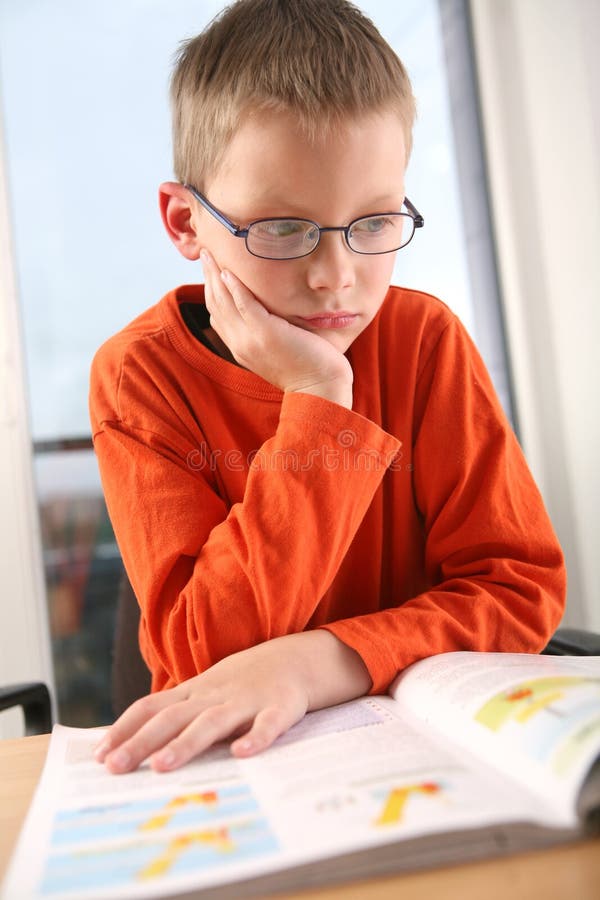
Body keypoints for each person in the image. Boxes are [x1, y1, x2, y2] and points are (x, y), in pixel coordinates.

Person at [90, 0, 565, 775]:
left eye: (374, 223)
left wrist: (318, 661)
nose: (336, 277)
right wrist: (318, 397)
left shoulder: (425, 342)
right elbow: (205, 653)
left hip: (418, 759)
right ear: (185, 223)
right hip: (237, 769)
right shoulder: (140, 377)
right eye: (283, 228)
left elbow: (519, 590)